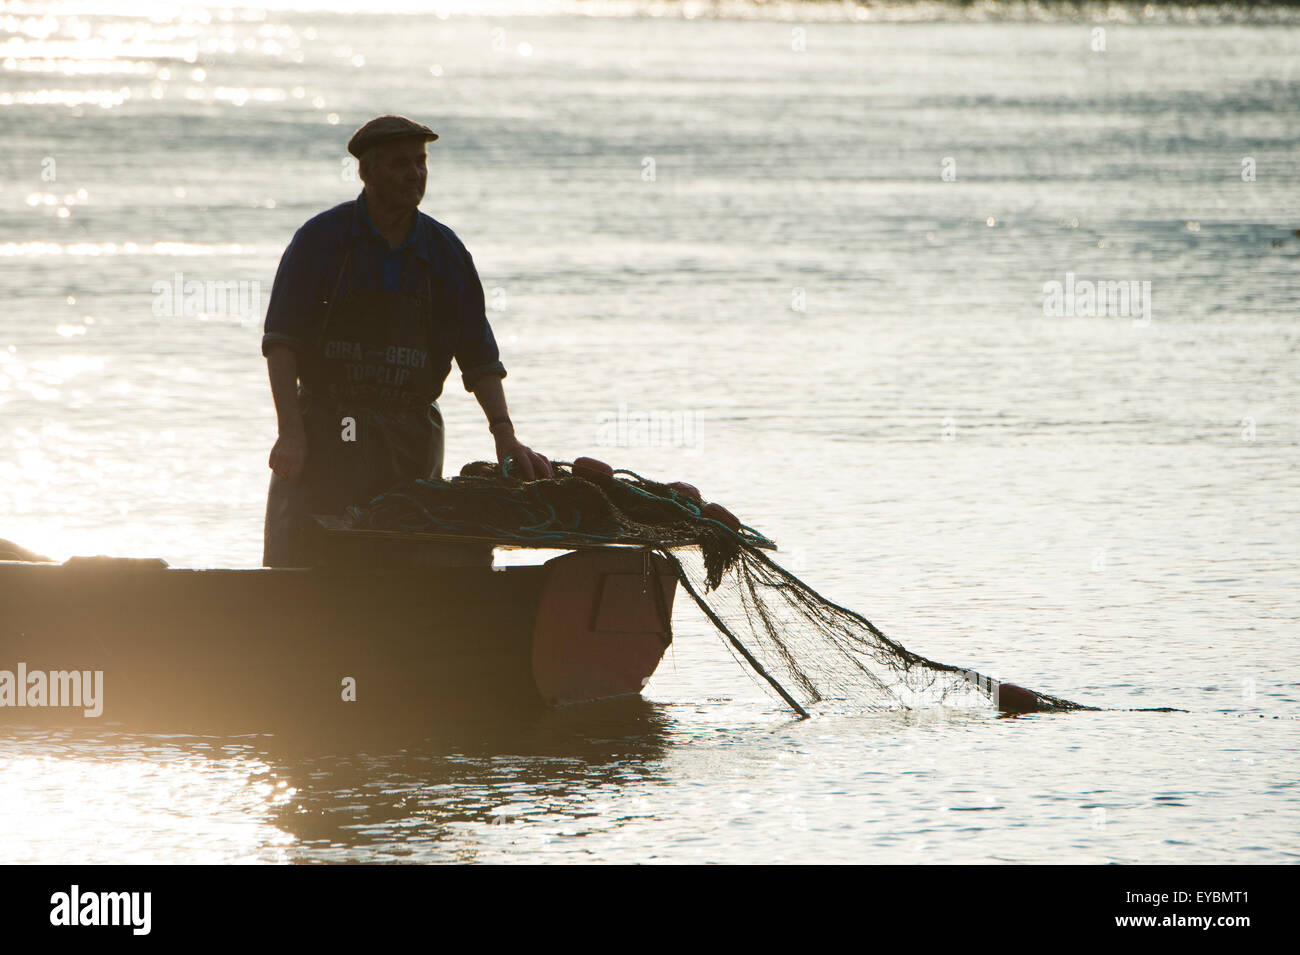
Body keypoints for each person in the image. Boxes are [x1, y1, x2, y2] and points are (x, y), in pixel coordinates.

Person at [261, 114, 552, 567]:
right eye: (400, 164)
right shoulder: (321, 241)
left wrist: (505, 436)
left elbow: (479, 358)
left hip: (410, 431)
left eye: (421, 162)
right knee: (306, 556)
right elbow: (282, 344)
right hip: (331, 425)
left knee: (404, 553)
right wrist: (290, 433)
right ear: (367, 172)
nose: (415, 174)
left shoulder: (444, 252)